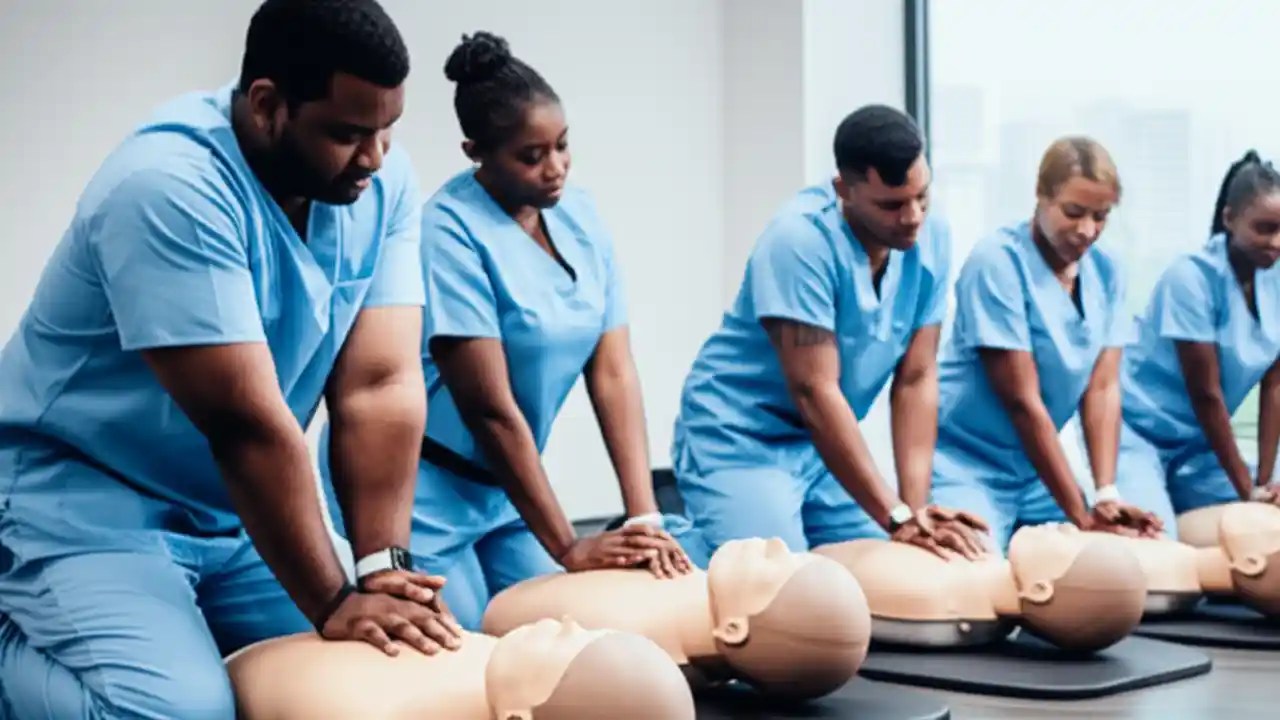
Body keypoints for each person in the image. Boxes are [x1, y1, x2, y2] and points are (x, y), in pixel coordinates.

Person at [0, 2, 461, 718]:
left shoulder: (380, 182)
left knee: (393, 667)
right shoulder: (168, 188)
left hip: (232, 511)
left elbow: (379, 385)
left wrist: (380, 569)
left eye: (387, 130)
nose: (375, 157)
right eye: (347, 133)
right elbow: (244, 426)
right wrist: (335, 599)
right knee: (180, 713)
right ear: (269, 104)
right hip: (79, 502)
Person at [319, 31, 692, 633]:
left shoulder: (583, 216)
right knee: (462, 642)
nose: (556, 168)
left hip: (507, 493)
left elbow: (614, 372)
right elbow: (491, 411)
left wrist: (644, 515)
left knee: (566, 634)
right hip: (419, 490)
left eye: (563, 146)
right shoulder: (447, 232)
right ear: (477, 152)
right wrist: (569, 546)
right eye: (531, 155)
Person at [670, 104, 987, 561]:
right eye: (892, 205)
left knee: (900, 567)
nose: (913, 216)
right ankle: (667, 536)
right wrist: (894, 517)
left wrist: (914, 513)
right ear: (844, 190)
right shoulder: (798, 242)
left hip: (822, 451)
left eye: (922, 196)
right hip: (742, 438)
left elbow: (916, 377)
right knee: (780, 590)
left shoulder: (930, 237)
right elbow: (815, 391)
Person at [928, 137, 1162, 552]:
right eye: (1073, 212)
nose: (1087, 230)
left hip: (1036, 473)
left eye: (1101, 216)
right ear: (1041, 196)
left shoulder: (1107, 273)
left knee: (1133, 553)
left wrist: (1105, 495)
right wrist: (1081, 516)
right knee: (971, 576)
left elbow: (1102, 388)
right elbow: (1023, 402)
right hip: (967, 463)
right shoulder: (997, 262)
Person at [1115, 150, 1280, 537]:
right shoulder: (1189, 278)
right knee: (1156, 545)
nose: (1276, 242)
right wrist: (1247, 495)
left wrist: (1266, 481)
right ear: (1229, 219)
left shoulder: (1276, 280)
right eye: (1264, 228)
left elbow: (1275, 387)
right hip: (1138, 433)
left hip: (1200, 447)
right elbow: (1206, 395)